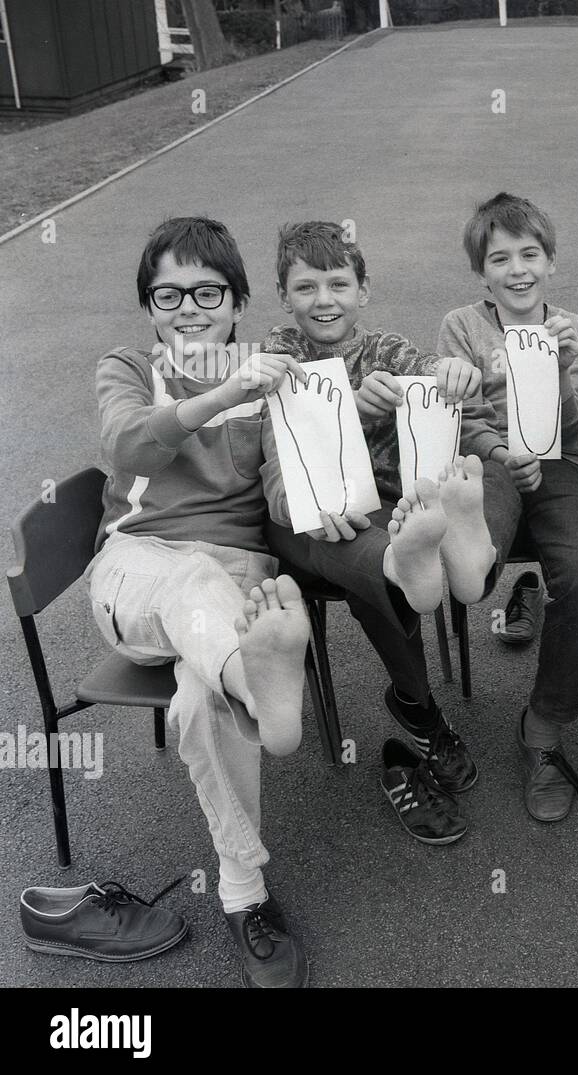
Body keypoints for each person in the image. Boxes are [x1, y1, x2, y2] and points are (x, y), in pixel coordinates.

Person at [87, 216, 312, 986]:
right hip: (140, 568)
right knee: (192, 583)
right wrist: (225, 391)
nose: (188, 308)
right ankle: (261, 684)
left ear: (237, 299)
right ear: (149, 307)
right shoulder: (125, 367)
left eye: (206, 292)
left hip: (238, 573)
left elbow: (285, 491)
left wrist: (331, 488)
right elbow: (128, 447)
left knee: (194, 704)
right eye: (168, 293)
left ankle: (243, 889)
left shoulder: (270, 375)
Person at [261, 221, 495, 846]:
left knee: (383, 558)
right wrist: (350, 410)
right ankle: (418, 690)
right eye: (305, 286)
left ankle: (417, 703)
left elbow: (423, 367)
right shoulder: (281, 354)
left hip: (380, 521)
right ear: (283, 295)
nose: (324, 299)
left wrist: (451, 372)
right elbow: (283, 448)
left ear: (364, 290)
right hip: (304, 522)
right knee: (366, 546)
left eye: (339, 283)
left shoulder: (385, 349)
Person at [433, 192, 578, 823]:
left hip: (559, 462)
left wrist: (559, 368)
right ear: (482, 272)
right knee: (472, 575)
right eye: (499, 258)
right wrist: (502, 451)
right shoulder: (461, 326)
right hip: (492, 462)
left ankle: (543, 729)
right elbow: (462, 414)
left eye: (529, 253)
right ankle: (505, 582)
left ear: (551, 261)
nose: (517, 269)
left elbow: (574, 419)